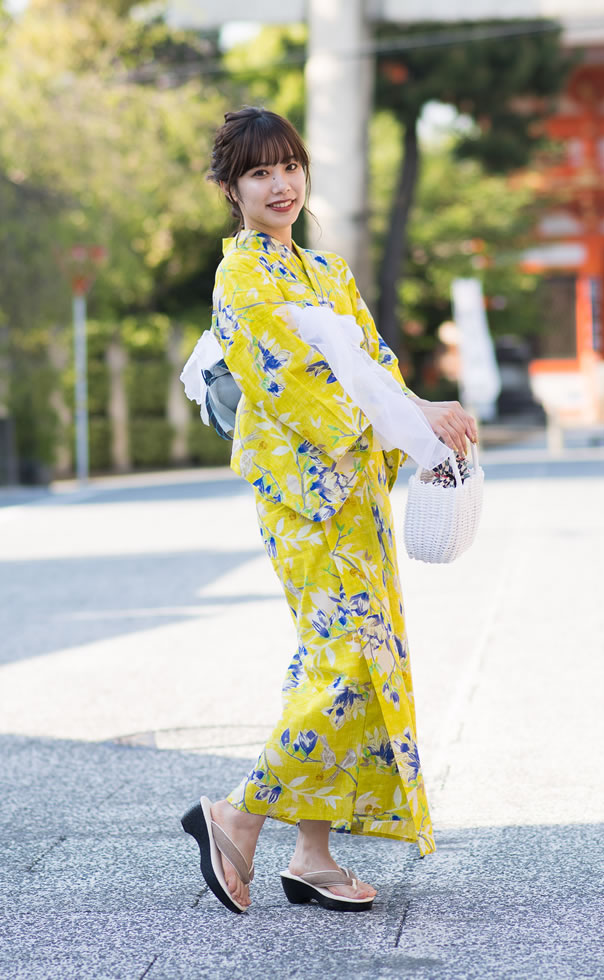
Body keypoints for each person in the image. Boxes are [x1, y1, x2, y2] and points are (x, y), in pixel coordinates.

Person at [181, 106, 477, 914]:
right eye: (259, 172)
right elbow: (303, 388)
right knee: (349, 658)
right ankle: (237, 813)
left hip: (361, 502)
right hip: (307, 497)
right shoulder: (242, 277)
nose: (281, 185)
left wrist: (427, 418)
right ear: (229, 189)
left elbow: (376, 371)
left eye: (289, 167)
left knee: (334, 658)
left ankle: (312, 854)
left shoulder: (328, 272)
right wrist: (406, 416)